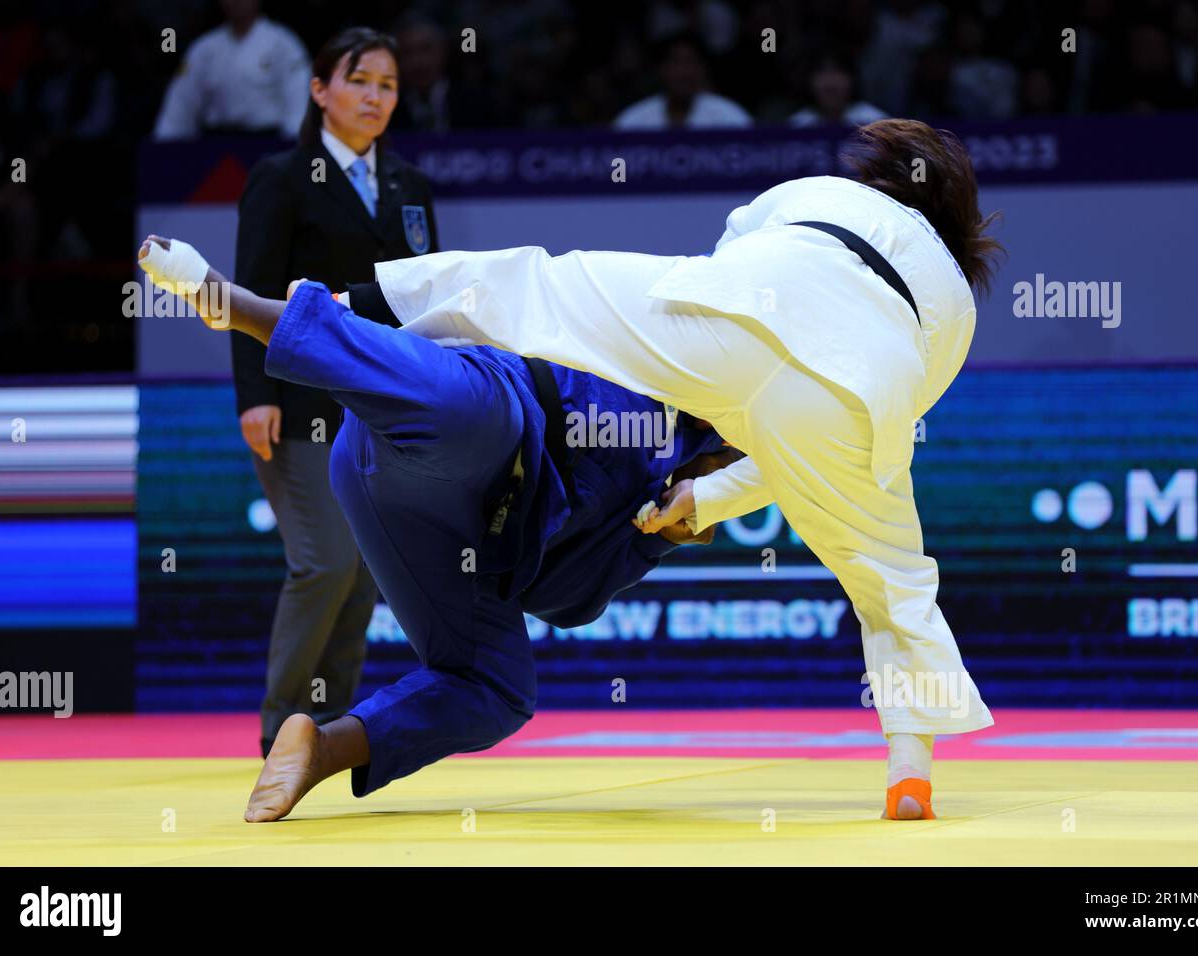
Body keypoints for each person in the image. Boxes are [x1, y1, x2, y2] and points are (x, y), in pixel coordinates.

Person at [138, 118, 1003, 821]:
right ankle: (909, 766)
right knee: (893, 580)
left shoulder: (807, 231)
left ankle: (322, 745)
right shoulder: (919, 335)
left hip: (687, 352)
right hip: (482, 428)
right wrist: (713, 491)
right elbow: (820, 454)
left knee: (536, 290)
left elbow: (742, 293)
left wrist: (699, 495)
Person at [135, 236, 733, 823]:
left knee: (499, 688)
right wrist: (358, 302)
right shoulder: (663, 319)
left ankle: (322, 749)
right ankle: (248, 309)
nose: (733, 465)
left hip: (426, 514)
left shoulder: (658, 490)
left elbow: (558, 599)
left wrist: (654, 538)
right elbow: (508, 279)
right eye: (734, 457)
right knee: (475, 414)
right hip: (466, 414)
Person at [229, 27, 439, 757]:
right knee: (325, 561)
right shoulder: (282, 178)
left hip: (388, 406)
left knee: (365, 574)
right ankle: (277, 728)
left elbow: (427, 302)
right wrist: (254, 393)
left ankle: (323, 731)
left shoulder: (410, 186)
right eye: (360, 81)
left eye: (387, 85)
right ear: (321, 91)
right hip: (300, 405)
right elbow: (247, 293)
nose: (376, 97)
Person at [153, 0, 310, 140]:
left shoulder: (284, 44)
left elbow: (298, 106)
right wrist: (164, 148)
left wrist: (294, 150)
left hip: (267, 145)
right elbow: (179, 108)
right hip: (214, 147)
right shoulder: (203, 49)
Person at [613, 33, 751, 130]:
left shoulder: (730, 117)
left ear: (702, 70)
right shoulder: (633, 120)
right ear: (661, 69)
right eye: (676, 62)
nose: (684, 73)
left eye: (691, 63)